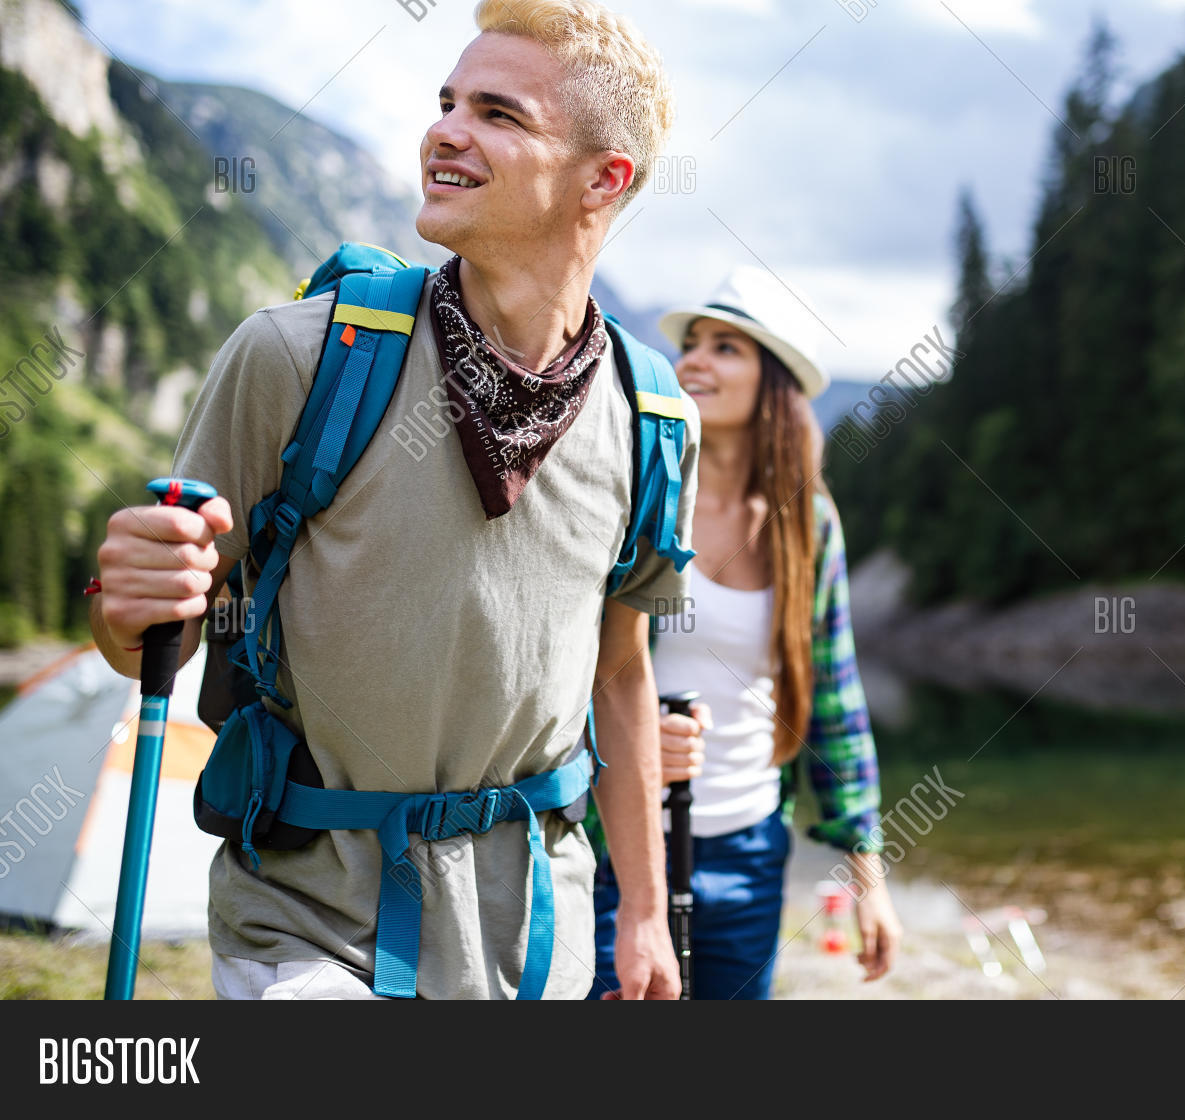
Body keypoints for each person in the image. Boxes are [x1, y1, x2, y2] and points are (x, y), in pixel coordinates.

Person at [90, 0, 695, 1000]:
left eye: (499, 113)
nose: (445, 130)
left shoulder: (655, 420)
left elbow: (622, 675)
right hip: (304, 919)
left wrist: (640, 911)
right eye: (447, 100)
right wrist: (129, 610)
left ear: (604, 178)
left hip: (536, 935)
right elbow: (154, 639)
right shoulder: (300, 354)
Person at [589, 266, 901, 999]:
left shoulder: (809, 525)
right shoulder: (638, 494)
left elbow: (836, 704)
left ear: (776, 385)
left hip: (751, 851)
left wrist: (869, 876)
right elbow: (568, 670)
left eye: (726, 347)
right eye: (692, 343)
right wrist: (624, 743)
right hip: (615, 847)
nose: (695, 359)